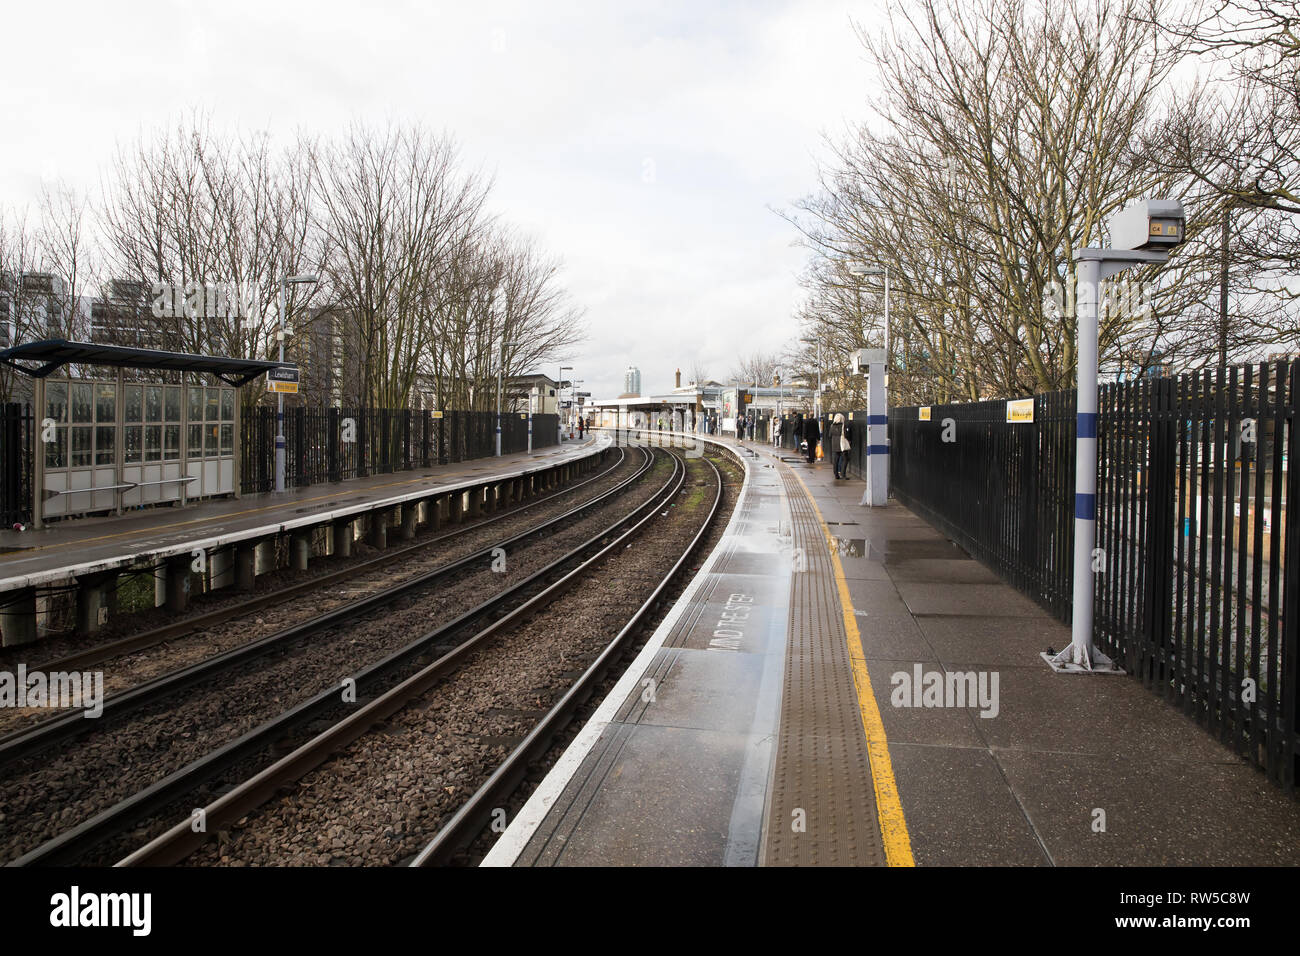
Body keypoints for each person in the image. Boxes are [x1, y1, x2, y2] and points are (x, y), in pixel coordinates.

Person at [831, 413, 850, 479]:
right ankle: (843, 473)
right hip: (842, 444)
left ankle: (836, 474)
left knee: (836, 459)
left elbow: (830, 434)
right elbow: (847, 435)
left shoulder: (832, 425)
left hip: (835, 444)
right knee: (846, 459)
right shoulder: (843, 425)